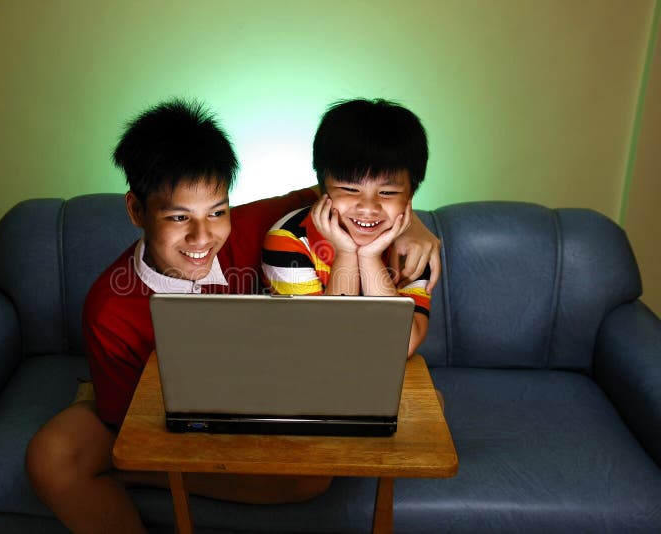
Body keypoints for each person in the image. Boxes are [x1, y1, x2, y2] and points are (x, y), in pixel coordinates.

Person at [25, 98, 441, 533]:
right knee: (51, 456)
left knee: (310, 476)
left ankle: (139, 474)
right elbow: (128, 421)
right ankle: (139, 469)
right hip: (167, 410)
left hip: (276, 391)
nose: (202, 237)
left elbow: (349, 193)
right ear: (136, 210)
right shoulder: (109, 308)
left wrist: (414, 227)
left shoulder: (256, 224)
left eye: (217, 212)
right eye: (178, 217)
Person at [263, 98, 431, 356]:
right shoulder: (289, 241)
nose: (368, 207)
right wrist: (346, 253)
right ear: (323, 188)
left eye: (387, 192)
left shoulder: (413, 247)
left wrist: (370, 257)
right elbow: (330, 344)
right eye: (350, 189)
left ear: (410, 196)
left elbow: (401, 346)